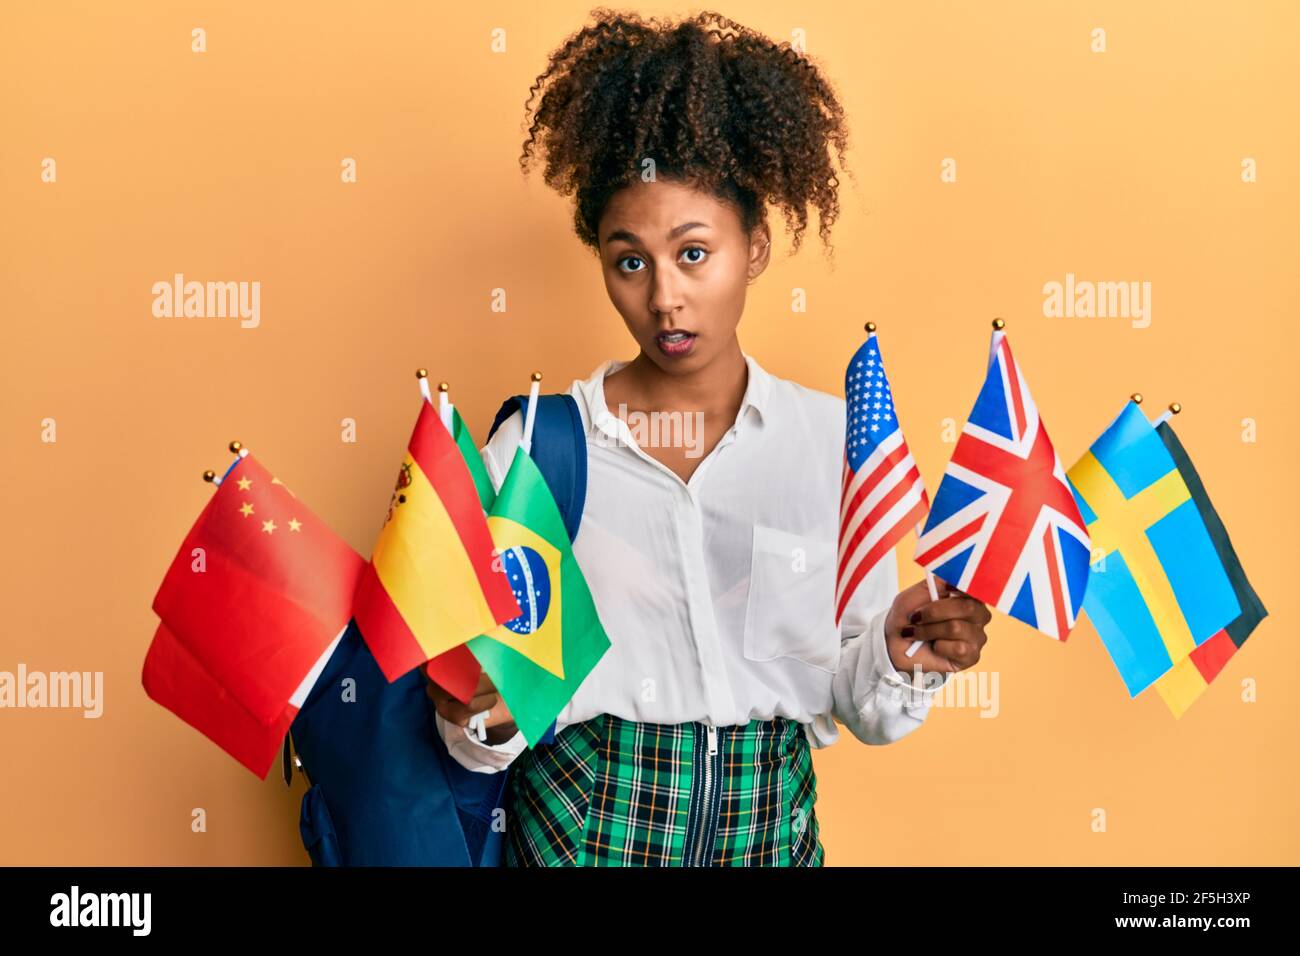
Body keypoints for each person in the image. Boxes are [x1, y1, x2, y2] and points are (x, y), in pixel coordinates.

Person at [425, 8, 991, 867]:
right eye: (629, 260)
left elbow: (859, 707)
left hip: (772, 832)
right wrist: (480, 712)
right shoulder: (540, 447)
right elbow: (476, 738)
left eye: (694, 253)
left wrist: (897, 650)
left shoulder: (831, 444)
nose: (664, 297)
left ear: (754, 247)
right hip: (584, 830)